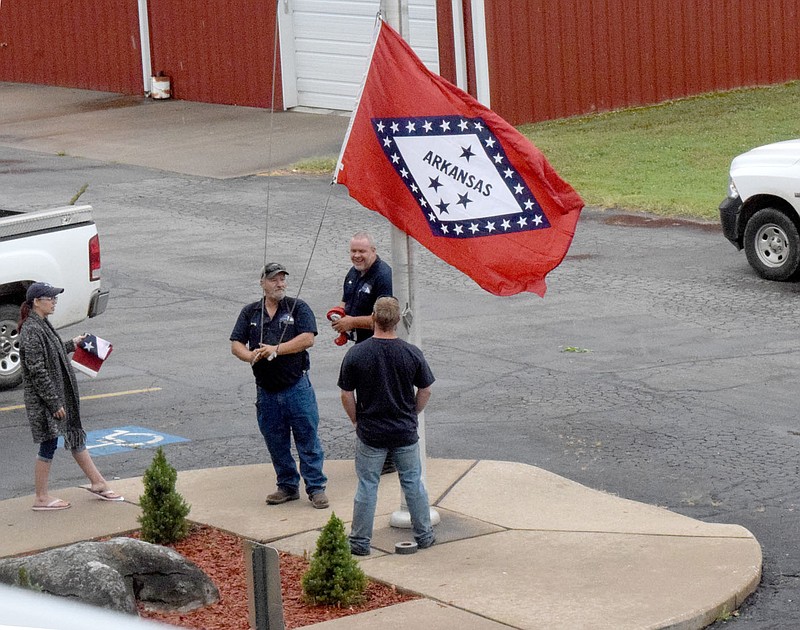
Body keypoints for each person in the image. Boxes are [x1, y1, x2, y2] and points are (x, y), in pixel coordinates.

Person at [338, 296, 436, 556]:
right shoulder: (411, 352)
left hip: (371, 432)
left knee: (367, 485)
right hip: (404, 430)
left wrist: (356, 419)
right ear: (397, 321)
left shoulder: (357, 353)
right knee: (413, 483)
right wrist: (412, 412)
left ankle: (359, 541)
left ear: (373, 319)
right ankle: (424, 534)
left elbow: (346, 393)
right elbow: (425, 388)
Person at [230, 263, 329, 509]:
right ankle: (287, 486)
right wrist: (250, 355)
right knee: (275, 441)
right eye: (275, 279)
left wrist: (276, 350)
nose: (280, 283)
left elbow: (308, 339)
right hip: (266, 390)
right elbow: (235, 344)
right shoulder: (250, 312)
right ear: (262, 282)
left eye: (283, 279)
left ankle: (316, 488)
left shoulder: (298, 307)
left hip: (296, 386)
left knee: (308, 438)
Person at [19, 282, 124, 511]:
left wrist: (72, 344)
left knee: (72, 436)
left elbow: (52, 352)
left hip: (54, 396)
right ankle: (41, 498)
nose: (54, 302)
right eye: (51, 298)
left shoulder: (42, 325)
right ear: (37, 301)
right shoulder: (31, 330)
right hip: (46, 400)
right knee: (48, 443)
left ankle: (98, 483)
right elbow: (37, 369)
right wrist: (54, 402)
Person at [331, 231, 397, 474]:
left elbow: (383, 318)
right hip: (361, 346)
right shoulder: (353, 274)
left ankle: (389, 458)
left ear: (374, 251)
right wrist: (340, 314)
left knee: (381, 401)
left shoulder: (383, 276)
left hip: (382, 348)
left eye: (362, 251)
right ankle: (375, 450)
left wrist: (350, 323)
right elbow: (346, 301)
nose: (357, 256)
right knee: (365, 398)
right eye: (353, 251)